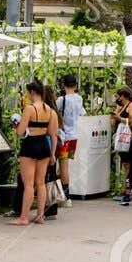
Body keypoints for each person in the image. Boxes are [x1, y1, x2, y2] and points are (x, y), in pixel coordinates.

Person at [12, 82, 57, 226]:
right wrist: (53, 153)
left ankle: (23, 217)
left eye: (28, 93)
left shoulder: (29, 109)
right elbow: (53, 134)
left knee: (29, 184)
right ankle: (40, 215)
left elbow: (20, 132)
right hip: (44, 145)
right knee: (41, 183)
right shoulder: (50, 110)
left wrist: (14, 125)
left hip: (30, 145)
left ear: (32, 92)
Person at [55, 74, 85, 206]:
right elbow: (83, 114)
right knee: (63, 167)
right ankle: (60, 191)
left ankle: (66, 197)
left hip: (63, 137)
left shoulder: (62, 100)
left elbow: (54, 113)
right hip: (74, 136)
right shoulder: (79, 99)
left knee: (64, 167)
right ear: (76, 85)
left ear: (63, 85)